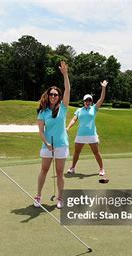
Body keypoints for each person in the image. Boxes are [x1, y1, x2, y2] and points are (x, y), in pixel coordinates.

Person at [34, 61, 70, 209]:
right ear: (48, 96)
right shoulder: (43, 111)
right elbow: (41, 131)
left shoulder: (63, 107)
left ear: (59, 96)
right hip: (47, 145)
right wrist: (47, 143)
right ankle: (38, 196)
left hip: (61, 144)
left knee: (60, 172)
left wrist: (65, 74)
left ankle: (60, 198)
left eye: (56, 94)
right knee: (44, 170)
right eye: (51, 94)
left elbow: (68, 88)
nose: (53, 96)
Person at [66, 81, 108, 176]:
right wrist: (68, 127)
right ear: (84, 101)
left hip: (91, 134)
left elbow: (101, 99)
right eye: (86, 100)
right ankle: (72, 167)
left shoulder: (94, 108)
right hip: (80, 134)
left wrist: (103, 88)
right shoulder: (79, 110)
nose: (88, 102)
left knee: (96, 153)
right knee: (76, 152)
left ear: (91, 101)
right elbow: (74, 119)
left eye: (90, 100)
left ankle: (101, 169)